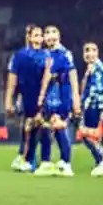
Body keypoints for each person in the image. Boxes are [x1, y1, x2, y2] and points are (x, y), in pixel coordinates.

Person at [5, 24, 51, 174]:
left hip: (44, 95)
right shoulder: (20, 56)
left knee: (44, 127)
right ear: (29, 37)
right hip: (27, 95)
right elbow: (12, 79)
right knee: (29, 127)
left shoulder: (47, 55)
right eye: (36, 35)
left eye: (41, 35)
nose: (39, 38)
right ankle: (26, 158)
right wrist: (9, 100)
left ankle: (44, 160)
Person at [35, 26, 79, 177]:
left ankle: (66, 163)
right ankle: (46, 162)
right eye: (47, 33)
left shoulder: (63, 54)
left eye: (53, 32)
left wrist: (75, 98)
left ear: (59, 36)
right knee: (45, 128)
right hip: (49, 96)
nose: (49, 36)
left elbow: (70, 75)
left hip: (61, 95)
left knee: (59, 126)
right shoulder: (45, 54)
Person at [79, 42, 103, 177]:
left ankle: (102, 162)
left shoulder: (98, 68)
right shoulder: (91, 68)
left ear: (97, 53)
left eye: (93, 50)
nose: (89, 53)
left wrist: (102, 110)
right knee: (89, 136)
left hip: (94, 107)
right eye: (87, 50)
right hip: (91, 106)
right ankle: (99, 161)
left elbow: (99, 90)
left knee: (88, 135)